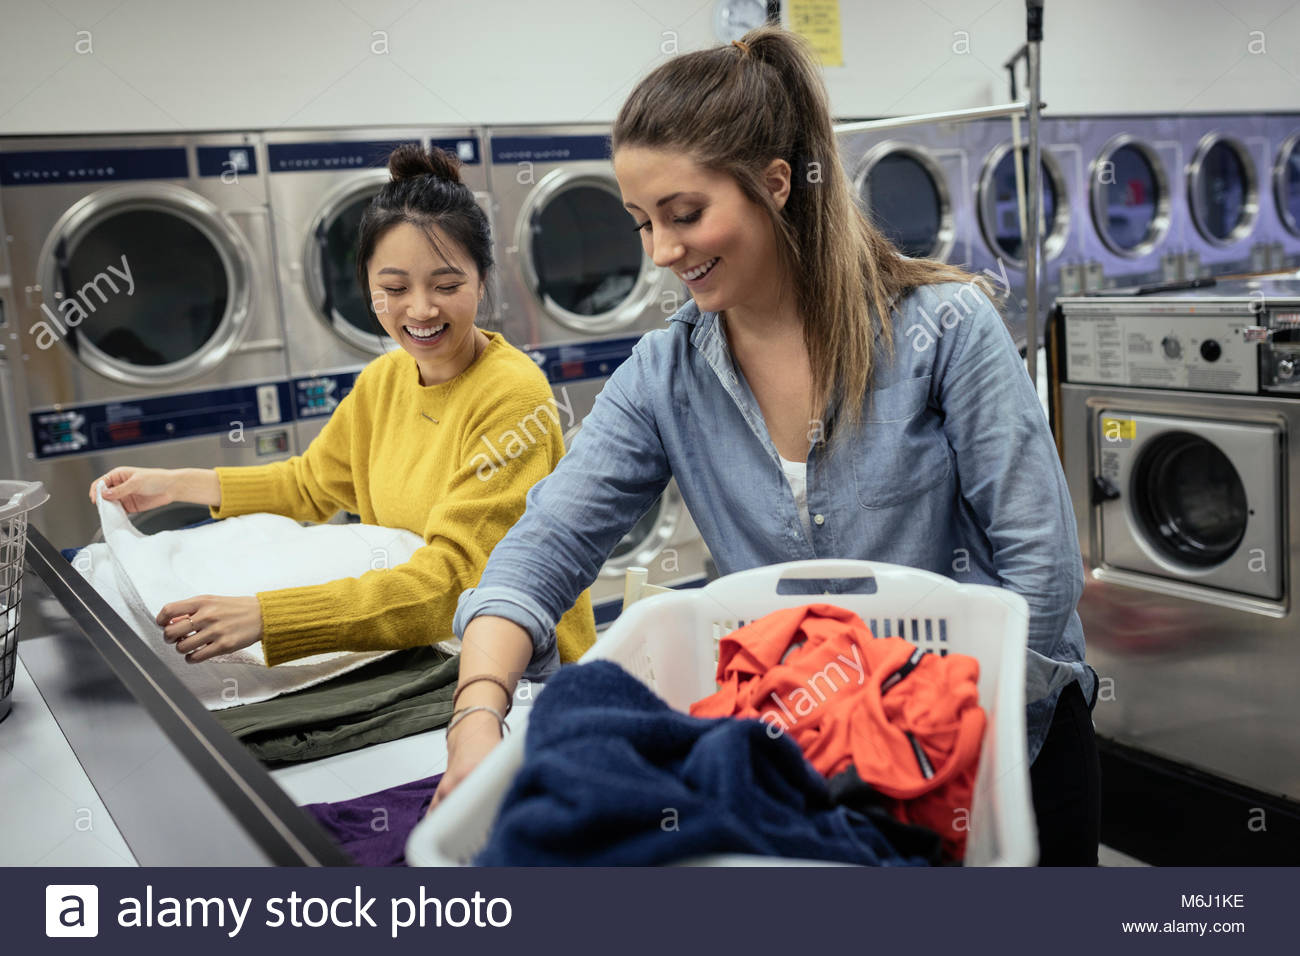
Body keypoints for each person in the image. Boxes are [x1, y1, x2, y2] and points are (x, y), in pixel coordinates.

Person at [434, 28, 1100, 865]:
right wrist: (477, 715)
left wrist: (959, 752)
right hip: (814, 756)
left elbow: (1041, 564)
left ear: (776, 185)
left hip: (1003, 743)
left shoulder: (945, 332)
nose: (661, 252)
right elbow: (547, 544)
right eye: (642, 222)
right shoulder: (667, 374)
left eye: (685, 215)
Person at [87, 144, 597, 669]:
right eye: (393, 288)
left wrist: (270, 618)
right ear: (368, 288)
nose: (420, 309)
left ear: (483, 279)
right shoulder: (384, 380)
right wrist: (174, 485)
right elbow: (309, 485)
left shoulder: (512, 397)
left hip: (521, 665)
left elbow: (456, 581)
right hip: (427, 644)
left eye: (446, 285)